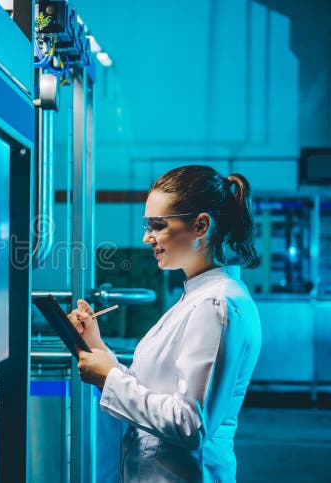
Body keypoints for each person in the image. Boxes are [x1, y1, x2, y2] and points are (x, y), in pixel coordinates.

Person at [69, 165, 262, 482]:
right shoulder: (196, 298)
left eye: (158, 225)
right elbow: (155, 389)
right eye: (148, 225)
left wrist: (109, 380)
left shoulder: (216, 306)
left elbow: (190, 425)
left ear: (200, 225)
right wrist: (96, 345)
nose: (147, 238)